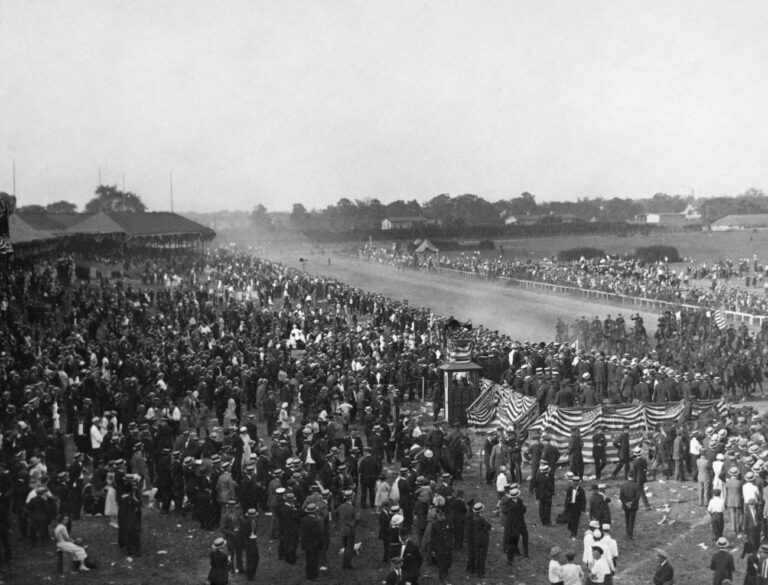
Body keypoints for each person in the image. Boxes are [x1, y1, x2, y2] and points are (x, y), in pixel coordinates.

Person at [300, 502, 324, 581]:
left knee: (308, 559)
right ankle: (313, 576)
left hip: (306, 542)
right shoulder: (315, 522)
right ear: (315, 511)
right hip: (314, 543)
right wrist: (321, 543)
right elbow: (318, 534)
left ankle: (308, 574)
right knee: (314, 560)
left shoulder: (303, 520)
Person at [470, 502, 491, 578]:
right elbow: (489, 526)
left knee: (478, 555)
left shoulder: (474, 517)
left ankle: (478, 570)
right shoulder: (481, 519)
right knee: (482, 556)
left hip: (477, 537)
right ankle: (480, 572)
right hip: (483, 538)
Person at [239, 508, 260, 582]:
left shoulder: (255, 521)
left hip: (253, 540)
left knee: (256, 557)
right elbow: (242, 533)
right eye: (253, 516)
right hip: (248, 542)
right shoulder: (245, 523)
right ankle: (250, 576)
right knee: (250, 558)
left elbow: (254, 530)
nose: (254, 517)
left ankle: (252, 573)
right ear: (249, 516)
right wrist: (246, 542)